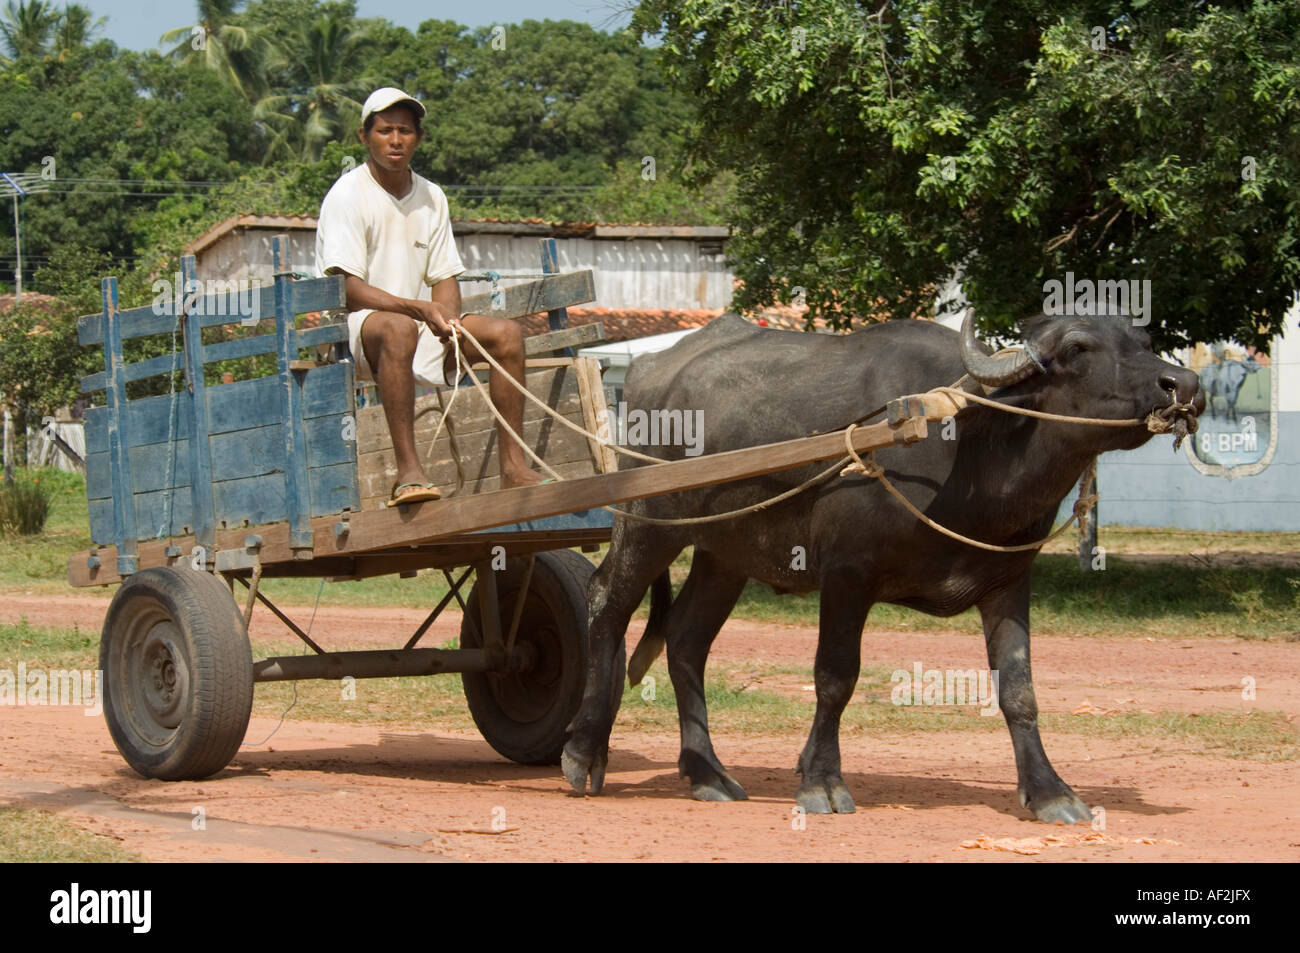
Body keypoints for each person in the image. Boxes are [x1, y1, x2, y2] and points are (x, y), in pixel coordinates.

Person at [316, 86, 544, 505]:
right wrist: (419, 308)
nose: (396, 140)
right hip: (359, 330)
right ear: (364, 137)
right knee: (400, 328)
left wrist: (449, 320)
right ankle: (409, 474)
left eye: (405, 130)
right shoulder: (348, 194)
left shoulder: (432, 196)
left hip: (418, 323)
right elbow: (345, 288)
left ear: (418, 137)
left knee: (506, 335)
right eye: (385, 131)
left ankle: (512, 468)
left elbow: (444, 276)